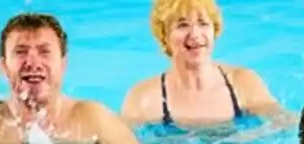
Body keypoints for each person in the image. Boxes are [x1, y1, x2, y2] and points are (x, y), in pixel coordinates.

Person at [0, 13, 159, 144]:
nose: (33, 62)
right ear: (3, 66)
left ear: (63, 63)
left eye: (44, 51)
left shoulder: (91, 118)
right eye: (21, 52)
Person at [120, 0, 284, 127]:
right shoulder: (143, 100)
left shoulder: (242, 84)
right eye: (183, 25)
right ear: (164, 35)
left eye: (203, 23)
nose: (195, 34)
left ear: (215, 30)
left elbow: (285, 126)